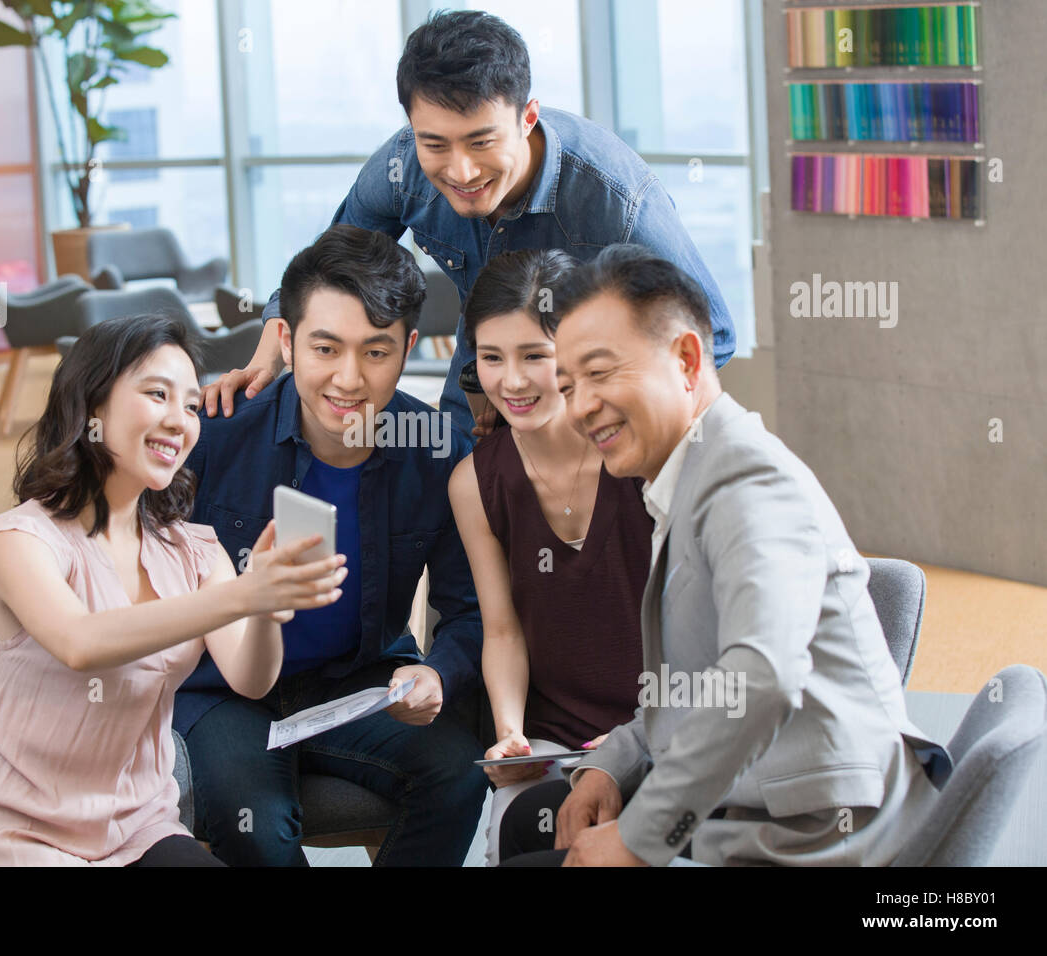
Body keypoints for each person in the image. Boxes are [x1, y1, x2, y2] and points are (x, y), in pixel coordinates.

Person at [499, 244, 951, 866]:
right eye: (570, 386)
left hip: (816, 836)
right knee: (538, 819)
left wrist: (638, 840)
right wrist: (615, 762)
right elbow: (700, 680)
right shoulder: (688, 474)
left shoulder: (745, 482)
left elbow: (761, 674)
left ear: (686, 360)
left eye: (601, 374)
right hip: (763, 802)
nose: (579, 407)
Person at [202, 9, 736, 441]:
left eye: (481, 142)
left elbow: (714, 332)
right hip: (477, 384)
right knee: (462, 514)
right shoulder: (399, 169)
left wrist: (586, 394)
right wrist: (268, 357)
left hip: (589, 401)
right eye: (434, 143)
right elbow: (323, 273)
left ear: (527, 119)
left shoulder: (615, 198)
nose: (460, 171)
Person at [0, 315, 346, 866]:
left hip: (141, 826)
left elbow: (251, 680)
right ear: (92, 405)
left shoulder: (192, 550)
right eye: (156, 394)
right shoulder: (18, 541)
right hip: (23, 836)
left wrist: (270, 609)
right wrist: (245, 595)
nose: (179, 421)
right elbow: (81, 642)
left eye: (188, 404)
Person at [174, 224, 488, 867]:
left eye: (377, 352)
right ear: (285, 342)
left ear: (410, 347)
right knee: (256, 827)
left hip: (360, 681)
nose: (349, 380)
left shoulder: (435, 449)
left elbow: (472, 609)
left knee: (460, 772)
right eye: (326, 348)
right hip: (223, 693)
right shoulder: (217, 432)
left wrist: (437, 671)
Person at [445, 249, 651, 865]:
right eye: (491, 358)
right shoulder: (473, 483)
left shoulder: (643, 456)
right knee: (528, 831)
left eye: (534, 355)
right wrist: (511, 733)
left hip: (664, 728)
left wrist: (634, 743)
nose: (511, 381)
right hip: (556, 741)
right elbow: (502, 628)